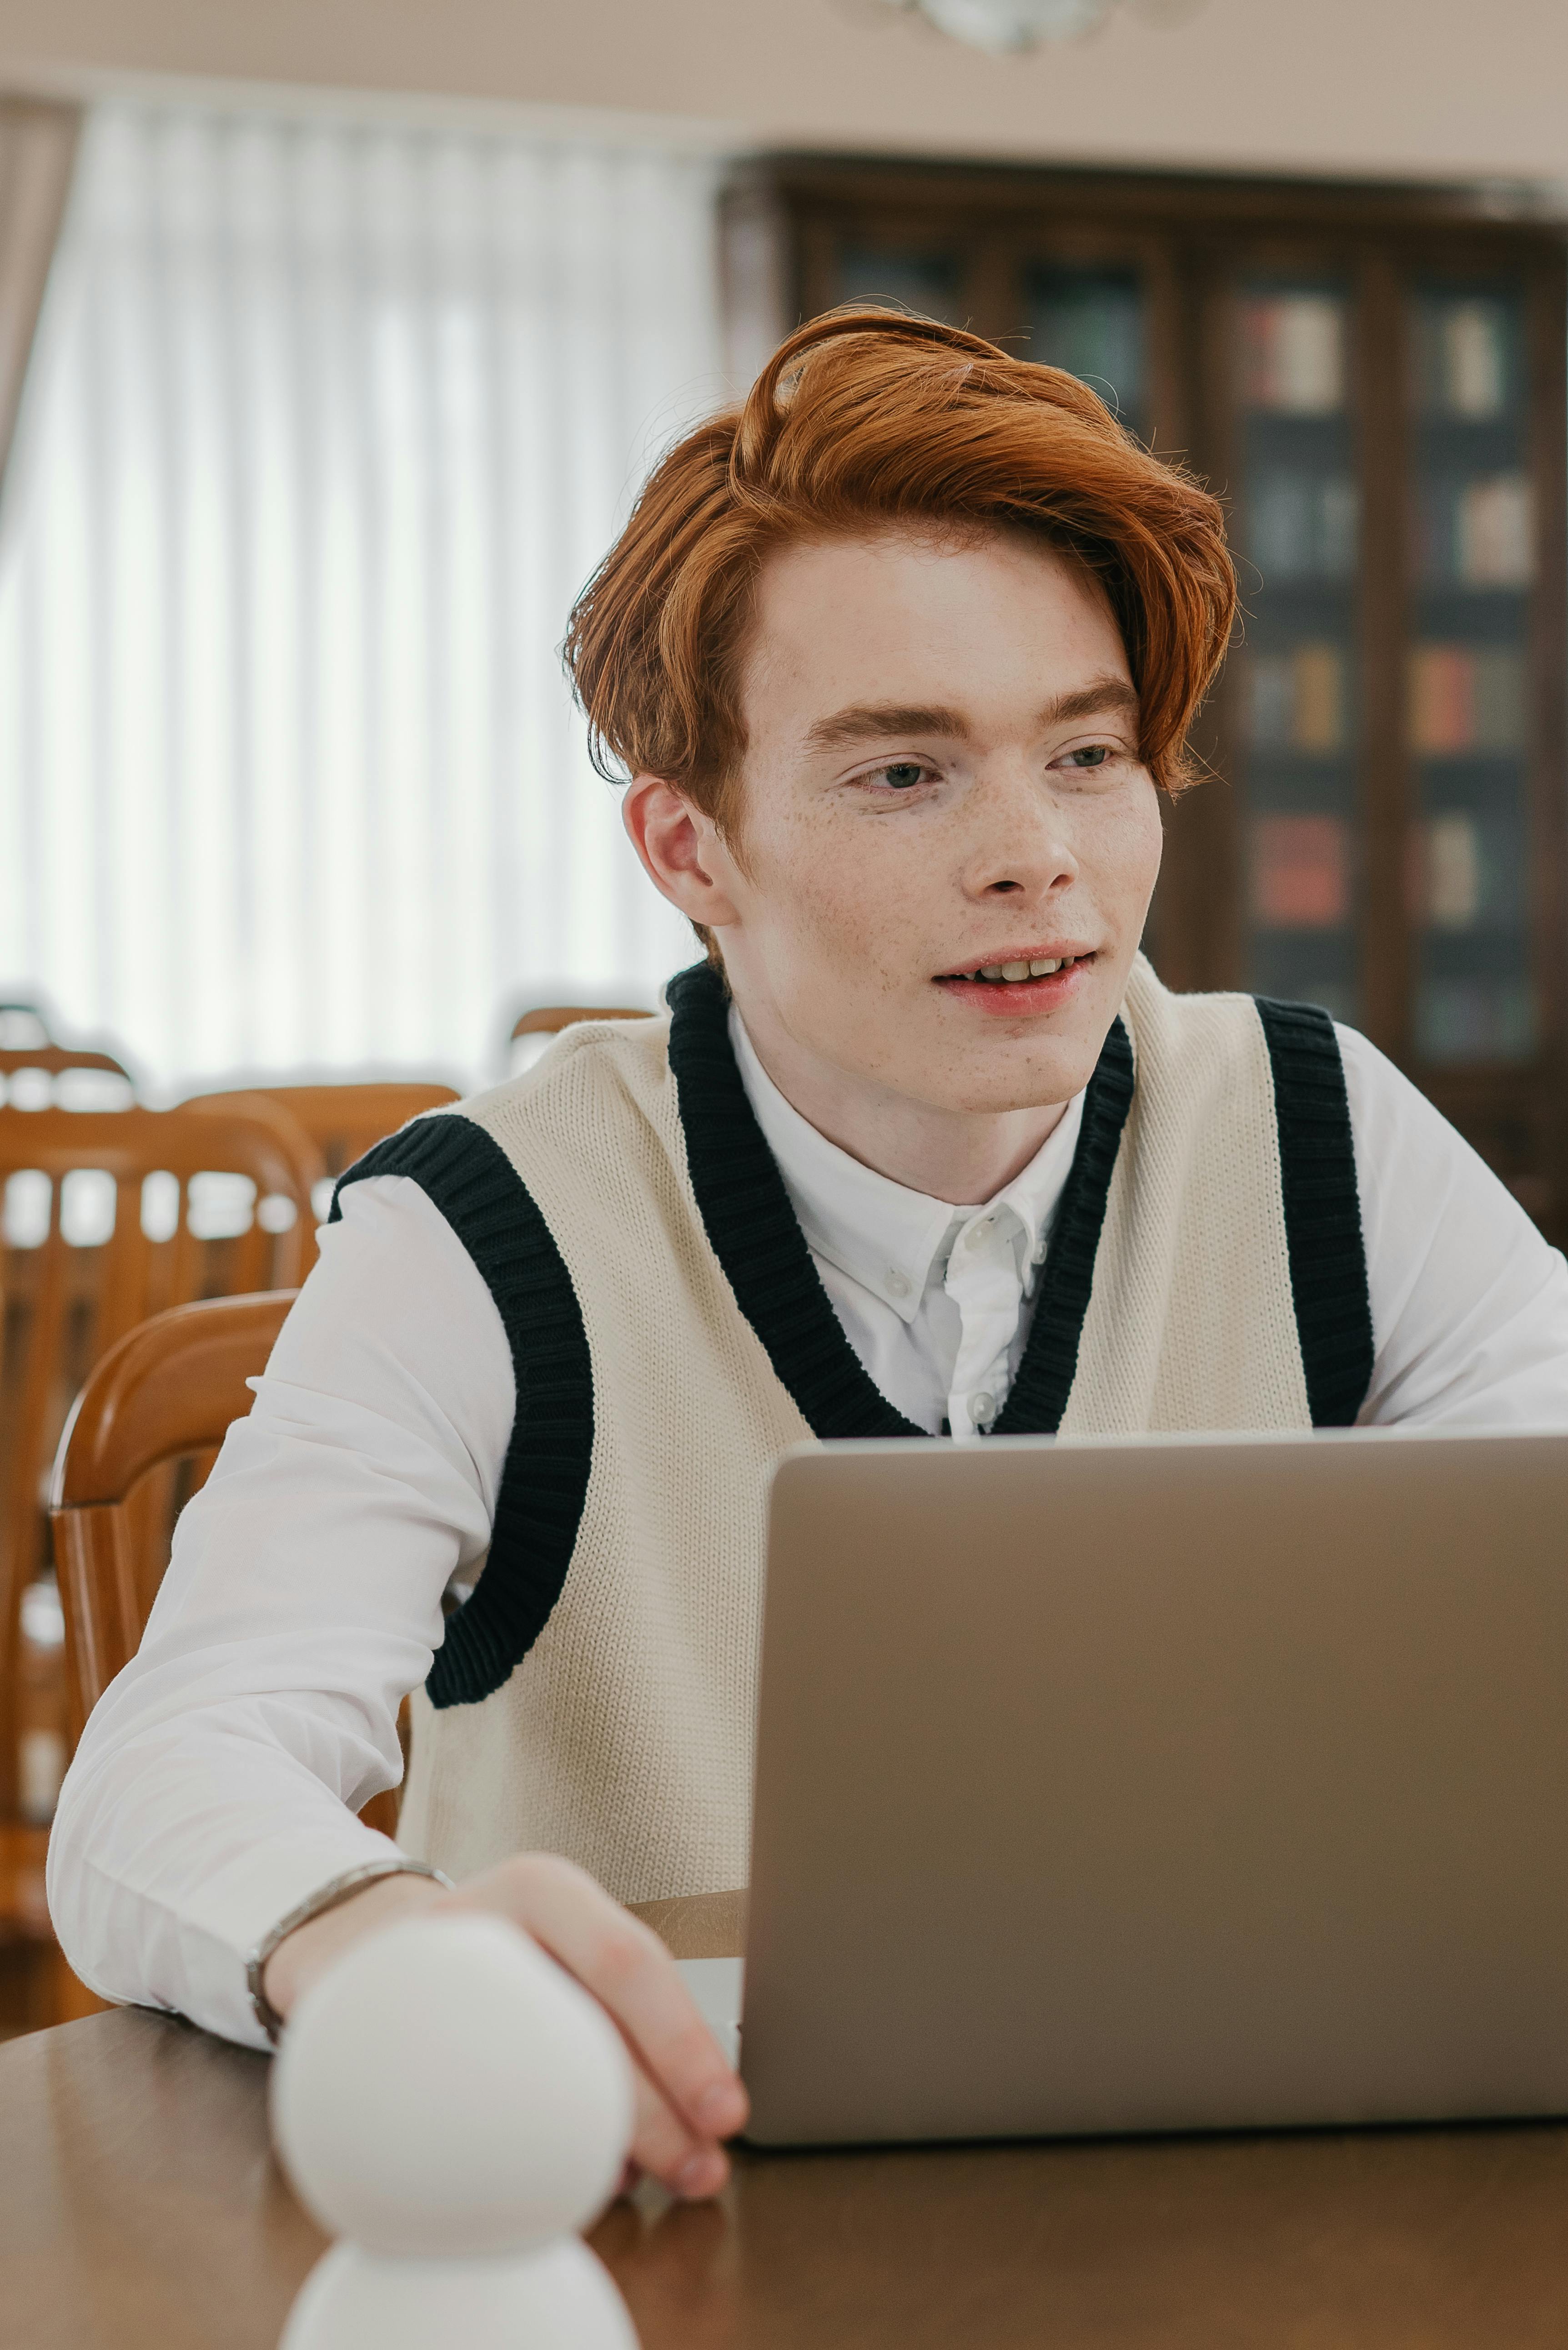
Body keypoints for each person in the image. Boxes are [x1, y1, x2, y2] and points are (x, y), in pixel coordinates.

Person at [49, 310, 1568, 2203]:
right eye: (902, 774)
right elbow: (161, 1775)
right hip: (663, 2218)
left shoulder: (1318, 1131)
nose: (1039, 858)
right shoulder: (481, 1224)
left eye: (1086, 752)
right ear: (688, 848)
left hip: (1273, 2196)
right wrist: (367, 1929)